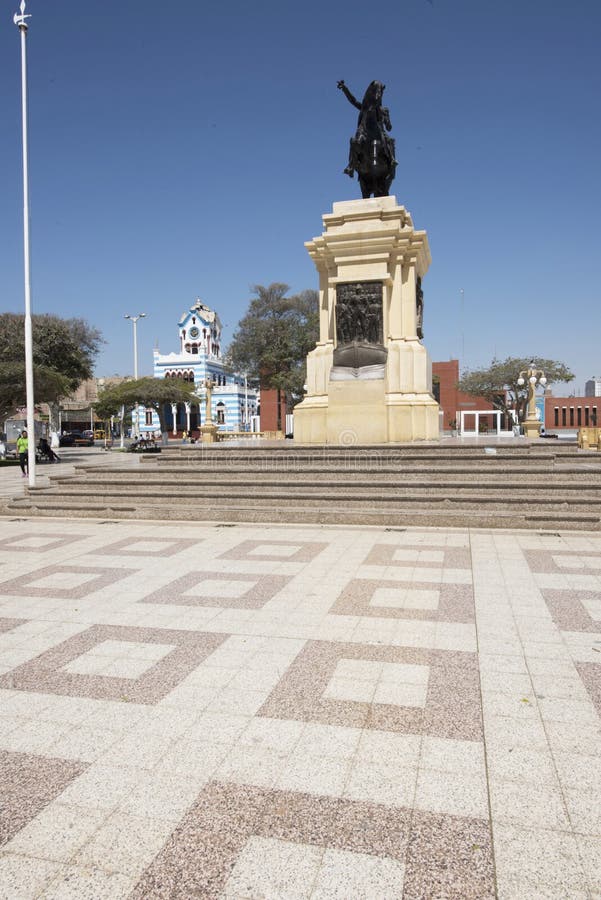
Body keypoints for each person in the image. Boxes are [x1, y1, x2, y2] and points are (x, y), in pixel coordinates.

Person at [337, 79, 397, 177]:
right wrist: (345, 89)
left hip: (380, 131)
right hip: (365, 131)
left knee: (389, 140)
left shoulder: (384, 110)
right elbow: (353, 100)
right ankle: (351, 166)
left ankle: (392, 160)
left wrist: (387, 122)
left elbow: (389, 127)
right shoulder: (365, 107)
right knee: (354, 141)